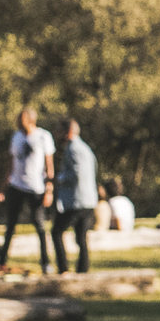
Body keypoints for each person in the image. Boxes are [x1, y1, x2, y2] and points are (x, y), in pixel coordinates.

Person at [0, 108, 55, 268]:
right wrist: (2, 188)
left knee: (40, 225)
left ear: (29, 119)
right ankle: (1, 261)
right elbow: (11, 164)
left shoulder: (43, 136)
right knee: (10, 226)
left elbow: (49, 165)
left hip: (36, 188)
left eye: (20, 118)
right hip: (16, 186)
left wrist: (49, 189)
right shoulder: (16, 136)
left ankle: (45, 261)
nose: (17, 122)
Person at [50, 118, 99, 275]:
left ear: (68, 132)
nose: (56, 134)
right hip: (89, 199)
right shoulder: (85, 148)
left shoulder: (74, 149)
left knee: (56, 232)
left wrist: (58, 179)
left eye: (59, 131)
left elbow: (77, 174)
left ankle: (63, 268)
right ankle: (83, 270)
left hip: (77, 200)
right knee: (81, 237)